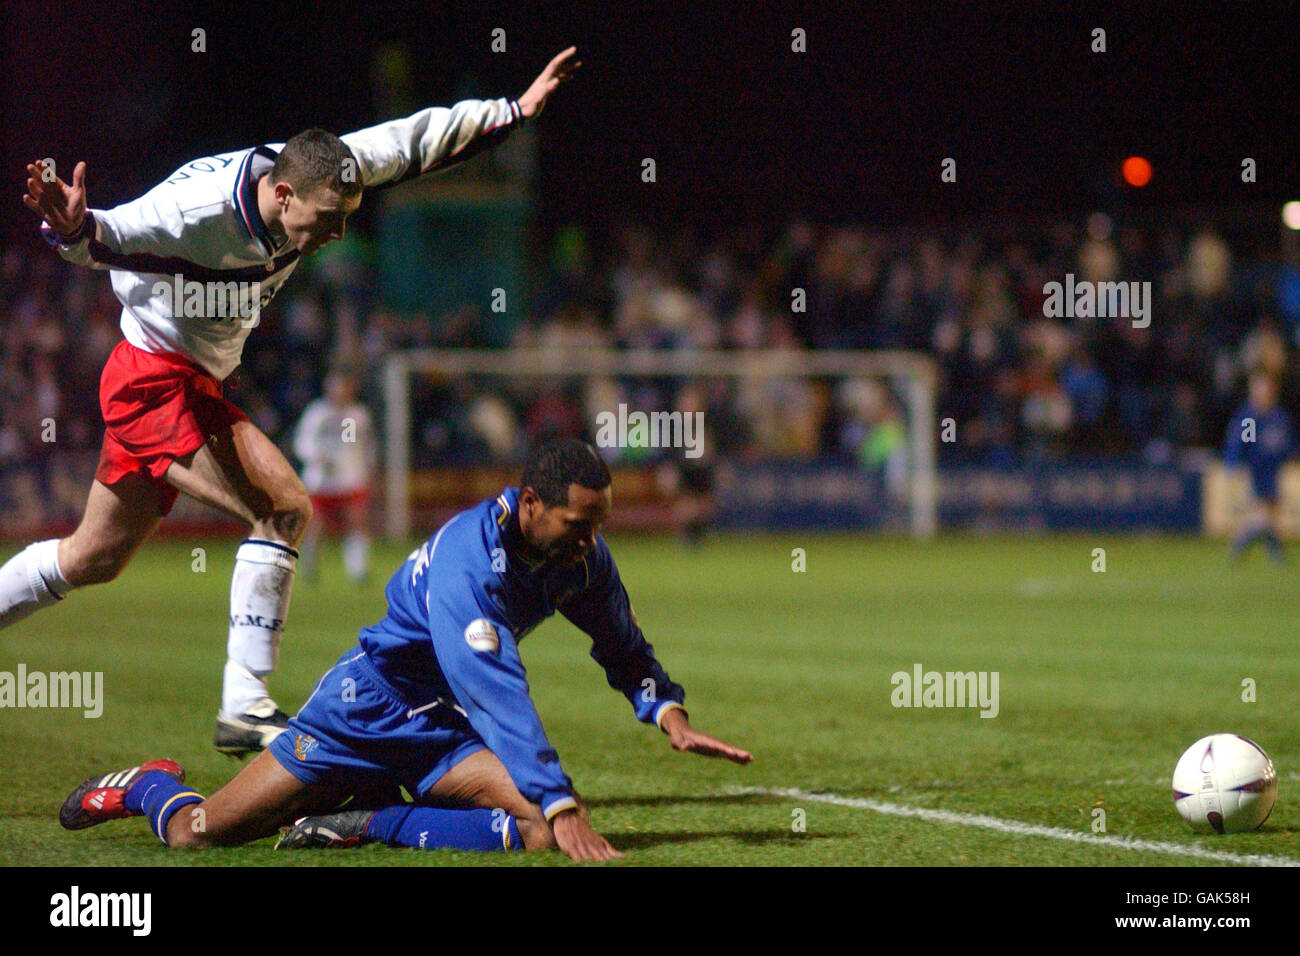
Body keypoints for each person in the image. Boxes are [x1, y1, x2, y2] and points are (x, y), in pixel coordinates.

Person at [4, 48, 582, 755]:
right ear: (282, 197)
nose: (337, 236)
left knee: (91, 558)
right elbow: (109, 236)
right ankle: (244, 705)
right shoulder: (196, 213)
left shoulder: (325, 171)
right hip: (154, 377)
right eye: (327, 221)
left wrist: (514, 111)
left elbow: (413, 141)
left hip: (190, 378)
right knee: (283, 504)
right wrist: (70, 226)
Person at [58, 439, 752, 860]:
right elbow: (493, 685)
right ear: (533, 502)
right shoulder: (469, 562)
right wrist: (560, 792)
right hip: (360, 711)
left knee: (539, 829)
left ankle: (366, 820)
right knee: (198, 834)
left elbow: (622, 645)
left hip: (438, 730)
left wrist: (664, 709)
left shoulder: (579, 558)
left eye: (596, 526)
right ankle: (145, 784)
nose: (587, 541)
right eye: (576, 524)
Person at [293, 367, 377, 584]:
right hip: (320, 480)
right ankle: (310, 566)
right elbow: (302, 442)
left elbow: (364, 446)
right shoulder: (316, 413)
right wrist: (316, 456)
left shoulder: (358, 415)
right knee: (315, 526)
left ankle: (357, 570)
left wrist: (368, 468)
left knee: (356, 521)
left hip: (351, 478)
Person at [1224, 368, 1294, 562]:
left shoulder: (1279, 417)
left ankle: (1260, 546)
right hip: (1255, 472)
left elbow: (1287, 445)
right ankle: (1253, 544)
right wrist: (1234, 466)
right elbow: (1240, 446)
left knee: (1270, 515)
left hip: (1273, 472)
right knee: (1264, 516)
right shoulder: (1250, 418)